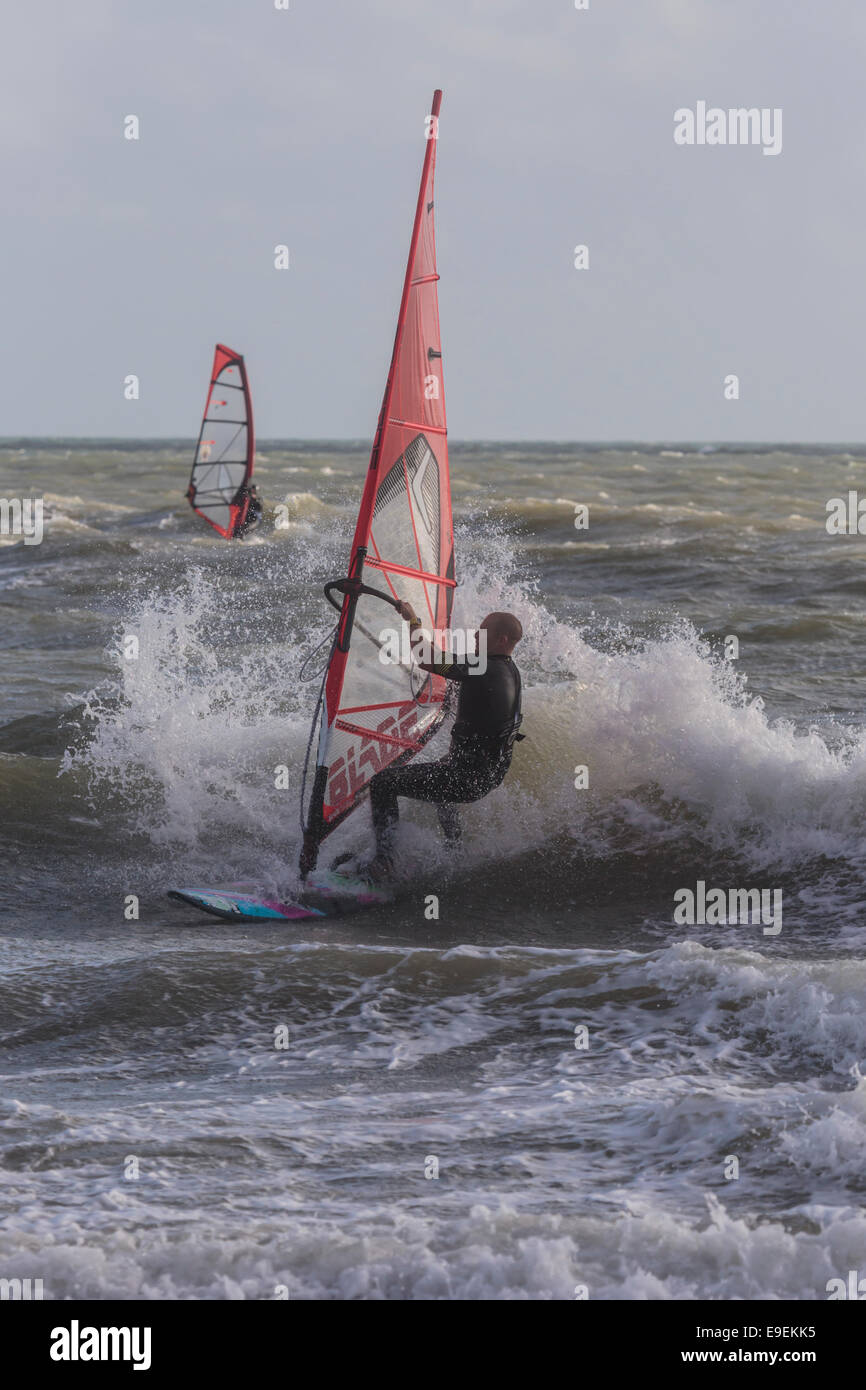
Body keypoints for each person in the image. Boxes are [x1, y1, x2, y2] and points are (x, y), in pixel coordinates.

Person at [352, 602, 525, 882]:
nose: (475, 636)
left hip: (468, 777)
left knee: (383, 783)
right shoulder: (507, 672)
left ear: (501, 639)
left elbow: (427, 658)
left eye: (482, 632)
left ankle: (384, 863)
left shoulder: (484, 667)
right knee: (440, 781)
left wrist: (413, 620)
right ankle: (455, 850)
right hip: (487, 775)